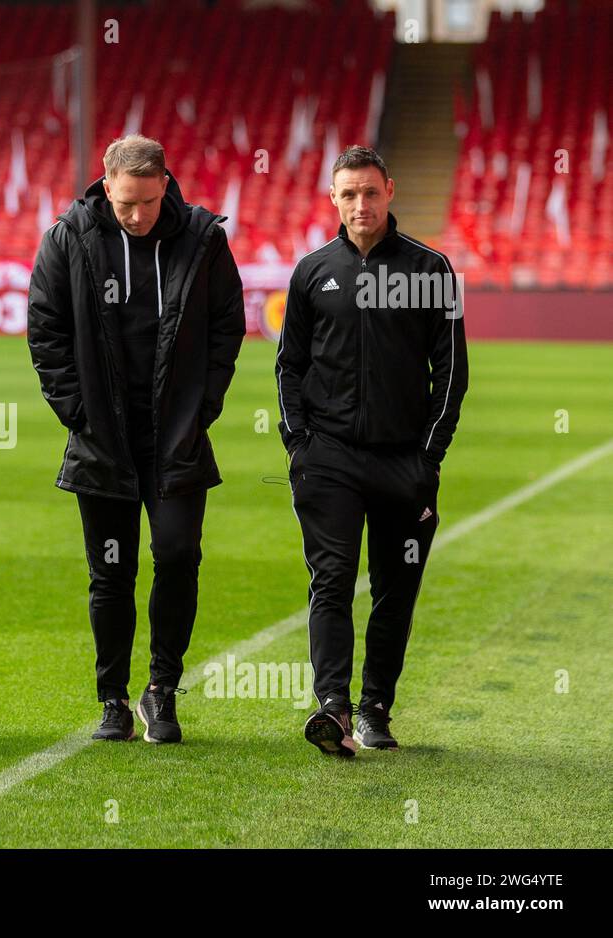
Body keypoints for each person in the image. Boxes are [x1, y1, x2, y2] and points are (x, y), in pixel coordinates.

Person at [27, 134, 246, 744]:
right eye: (127, 204)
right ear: (106, 186)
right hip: (103, 439)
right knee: (110, 573)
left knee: (177, 557)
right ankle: (113, 698)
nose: (138, 216)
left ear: (166, 185)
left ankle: (162, 690)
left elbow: (228, 323)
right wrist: (77, 411)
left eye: (149, 202)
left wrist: (204, 406)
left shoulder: (202, 238)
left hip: (175, 438)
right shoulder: (69, 237)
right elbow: (44, 328)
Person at [276, 145, 468, 757]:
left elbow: (453, 370)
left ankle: (375, 707)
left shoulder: (432, 271)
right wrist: (299, 447)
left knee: (395, 589)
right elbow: (289, 366)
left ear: (390, 190)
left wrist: (427, 457)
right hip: (327, 459)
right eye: (348, 194)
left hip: (402, 462)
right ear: (333, 199)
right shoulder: (311, 271)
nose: (361, 204)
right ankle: (331, 708)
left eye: (370, 191)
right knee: (330, 581)